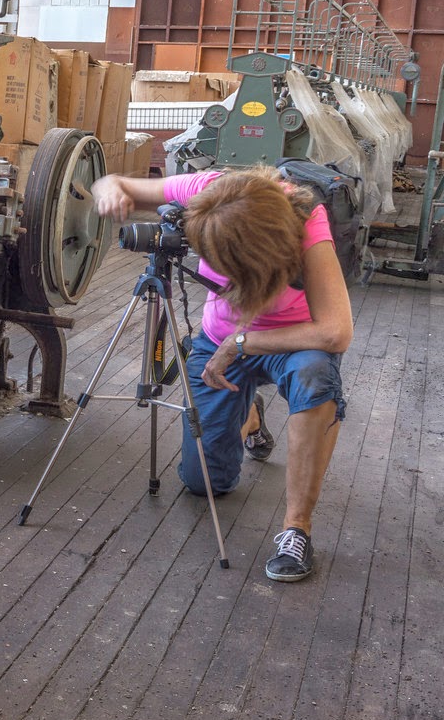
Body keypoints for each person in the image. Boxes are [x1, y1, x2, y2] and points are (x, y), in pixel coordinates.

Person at [91, 167, 352, 583]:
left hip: (294, 340)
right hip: (220, 338)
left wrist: (240, 343)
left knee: (315, 378)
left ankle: (296, 528)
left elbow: (336, 331)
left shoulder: (305, 222)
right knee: (203, 484)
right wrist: (108, 193)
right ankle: (248, 414)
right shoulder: (207, 190)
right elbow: (115, 182)